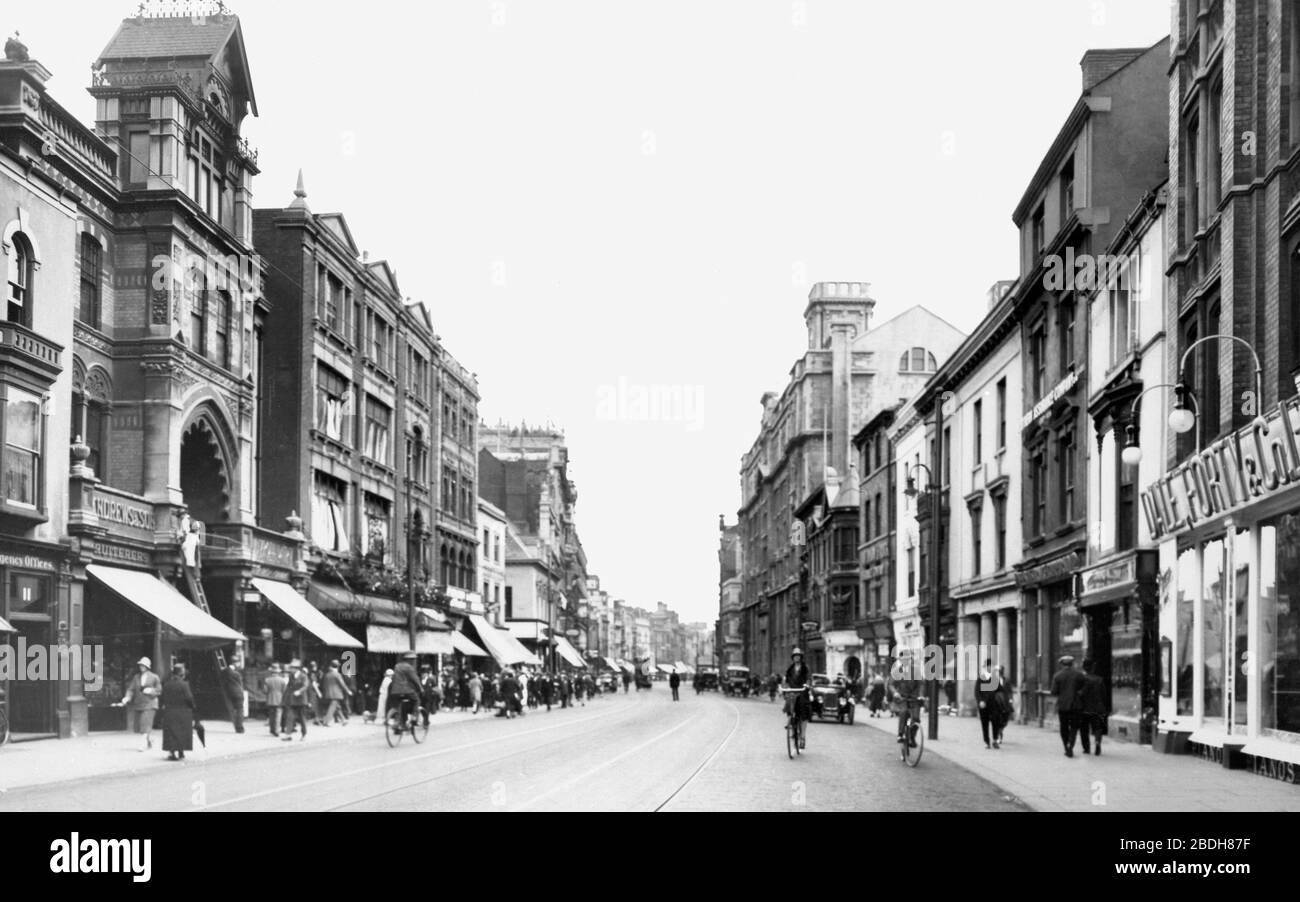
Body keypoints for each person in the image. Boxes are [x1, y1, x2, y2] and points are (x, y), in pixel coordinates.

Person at [119, 656, 162, 751]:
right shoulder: (136, 677)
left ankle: (142, 744)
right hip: (139, 704)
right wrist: (127, 697)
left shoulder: (154, 677)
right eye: (140, 665)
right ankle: (150, 739)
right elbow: (131, 689)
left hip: (150, 704)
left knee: (145, 723)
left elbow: (159, 690)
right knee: (139, 726)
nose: (141, 667)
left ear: (148, 666)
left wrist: (151, 690)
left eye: (143, 665)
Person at [1050, 655, 1087, 757]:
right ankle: (1071, 744)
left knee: (1064, 727)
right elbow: (1085, 688)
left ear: (1062, 664)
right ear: (1072, 664)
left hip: (1063, 706)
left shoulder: (1057, 676)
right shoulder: (1079, 675)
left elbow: (1053, 692)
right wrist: (1079, 692)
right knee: (1074, 727)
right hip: (1076, 705)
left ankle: (1067, 746)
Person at [159, 663, 195, 761]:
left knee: (171, 732)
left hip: (170, 711)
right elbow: (189, 698)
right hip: (183, 711)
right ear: (182, 674)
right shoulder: (184, 685)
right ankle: (181, 752)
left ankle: (172, 752)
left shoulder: (166, 685)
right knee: (182, 732)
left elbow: (162, 698)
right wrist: (192, 707)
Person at [892, 654, 925, 748]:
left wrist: (921, 695)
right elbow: (891, 684)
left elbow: (921, 684)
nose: (906, 661)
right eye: (903, 659)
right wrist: (895, 692)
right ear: (900, 660)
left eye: (908, 659)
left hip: (914, 698)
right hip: (902, 698)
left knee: (916, 718)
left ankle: (912, 737)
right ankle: (900, 734)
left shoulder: (916, 671)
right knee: (904, 712)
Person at [1079, 658, 1109, 756]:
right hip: (1097, 708)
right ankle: (1097, 743)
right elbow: (1104, 695)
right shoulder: (1099, 680)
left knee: (1084, 729)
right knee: (1097, 728)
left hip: (1084, 709)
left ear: (1084, 668)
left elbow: (1080, 694)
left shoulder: (1082, 679)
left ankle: (1086, 748)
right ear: (1093, 668)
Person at [783, 648, 812, 749]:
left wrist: (807, 685)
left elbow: (808, 678)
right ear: (793, 658)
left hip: (802, 691)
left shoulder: (805, 668)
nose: (796, 658)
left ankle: (803, 737)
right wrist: (785, 686)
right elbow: (786, 680)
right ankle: (790, 721)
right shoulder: (790, 669)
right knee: (788, 703)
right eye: (795, 656)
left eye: (798, 656)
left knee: (804, 712)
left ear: (801, 657)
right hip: (792, 691)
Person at [388, 652, 423, 726]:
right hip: (406, 690)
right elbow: (415, 679)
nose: (414, 661)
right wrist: (420, 688)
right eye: (413, 660)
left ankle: (399, 722)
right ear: (410, 660)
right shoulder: (409, 667)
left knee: (398, 706)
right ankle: (414, 717)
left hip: (395, 691)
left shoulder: (397, 666)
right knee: (417, 700)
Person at [975, 659, 1002, 749]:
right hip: (984, 705)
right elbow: (977, 692)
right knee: (985, 723)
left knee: (995, 722)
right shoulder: (981, 678)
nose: (990, 668)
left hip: (993, 705)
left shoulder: (995, 679)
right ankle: (987, 741)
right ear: (986, 667)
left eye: (992, 666)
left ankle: (995, 740)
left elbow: (1001, 690)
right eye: (988, 666)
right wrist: (980, 701)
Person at [282, 659, 311, 741]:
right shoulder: (291, 676)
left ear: (297, 668)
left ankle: (304, 734)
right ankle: (288, 735)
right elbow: (289, 687)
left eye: (292, 668)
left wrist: (299, 691)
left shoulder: (303, 676)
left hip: (301, 700)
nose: (290, 670)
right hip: (293, 700)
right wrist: (285, 696)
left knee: (302, 718)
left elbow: (306, 686)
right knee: (290, 717)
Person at [321, 660, 352, 726]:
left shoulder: (327, 674)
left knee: (337, 707)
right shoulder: (337, 674)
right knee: (332, 708)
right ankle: (326, 721)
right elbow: (342, 684)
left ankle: (343, 720)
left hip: (328, 693)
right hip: (336, 694)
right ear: (337, 667)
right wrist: (348, 691)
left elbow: (324, 685)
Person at [221, 658, 246, 734]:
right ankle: (239, 727)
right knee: (240, 710)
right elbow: (240, 684)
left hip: (230, 693)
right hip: (238, 693)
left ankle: (237, 725)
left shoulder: (226, 671)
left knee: (234, 710)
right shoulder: (237, 674)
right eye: (238, 663)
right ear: (235, 663)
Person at [263, 663, 287, 736]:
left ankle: (272, 730)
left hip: (270, 699)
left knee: (271, 716)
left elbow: (265, 691)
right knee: (278, 716)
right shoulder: (282, 680)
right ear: (278, 672)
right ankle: (276, 730)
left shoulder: (267, 680)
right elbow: (284, 691)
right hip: (279, 700)